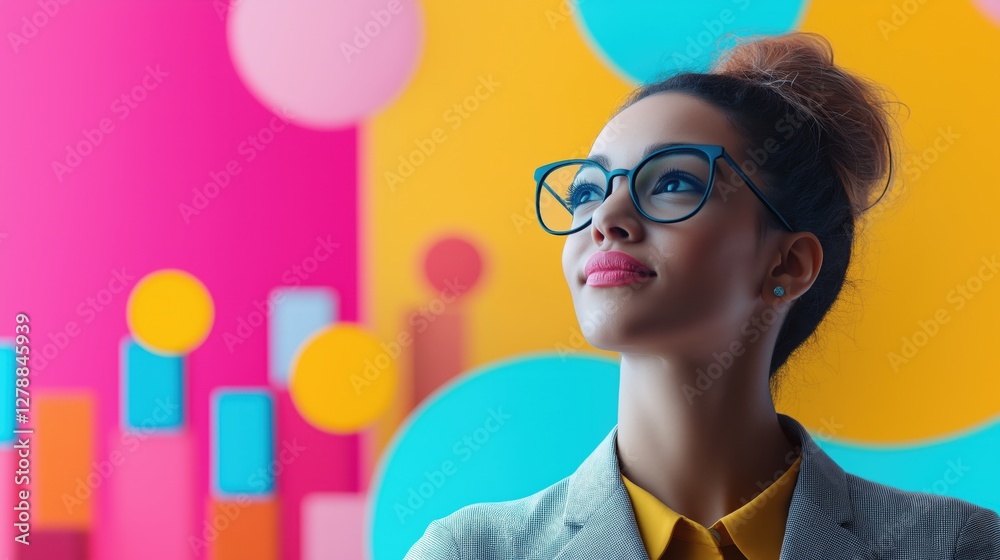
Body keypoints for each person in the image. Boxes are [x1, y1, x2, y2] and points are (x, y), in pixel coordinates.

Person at [404, 31, 1000, 559]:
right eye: (586, 191)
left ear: (789, 264)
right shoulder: (471, 550)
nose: (606, 217)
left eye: (672, 183)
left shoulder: (955, 545)